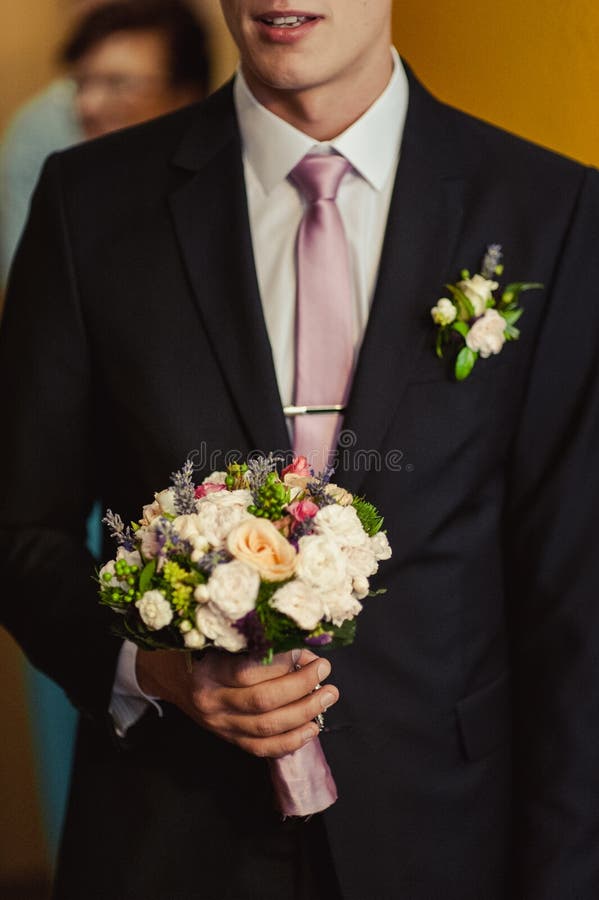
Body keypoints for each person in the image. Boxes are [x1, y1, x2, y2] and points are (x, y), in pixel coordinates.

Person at [1, 1, 598, 897]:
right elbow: (19, 528)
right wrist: (154, 669)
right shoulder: (89, 203)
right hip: (168, 834)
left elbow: (574, 593)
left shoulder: (550, 206)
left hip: (448, 832)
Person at [0, 0, 209, 287]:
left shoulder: (223, 196)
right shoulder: (61, 175)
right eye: (81, 84)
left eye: (118, 83)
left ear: (185, 97)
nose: (88, 106)